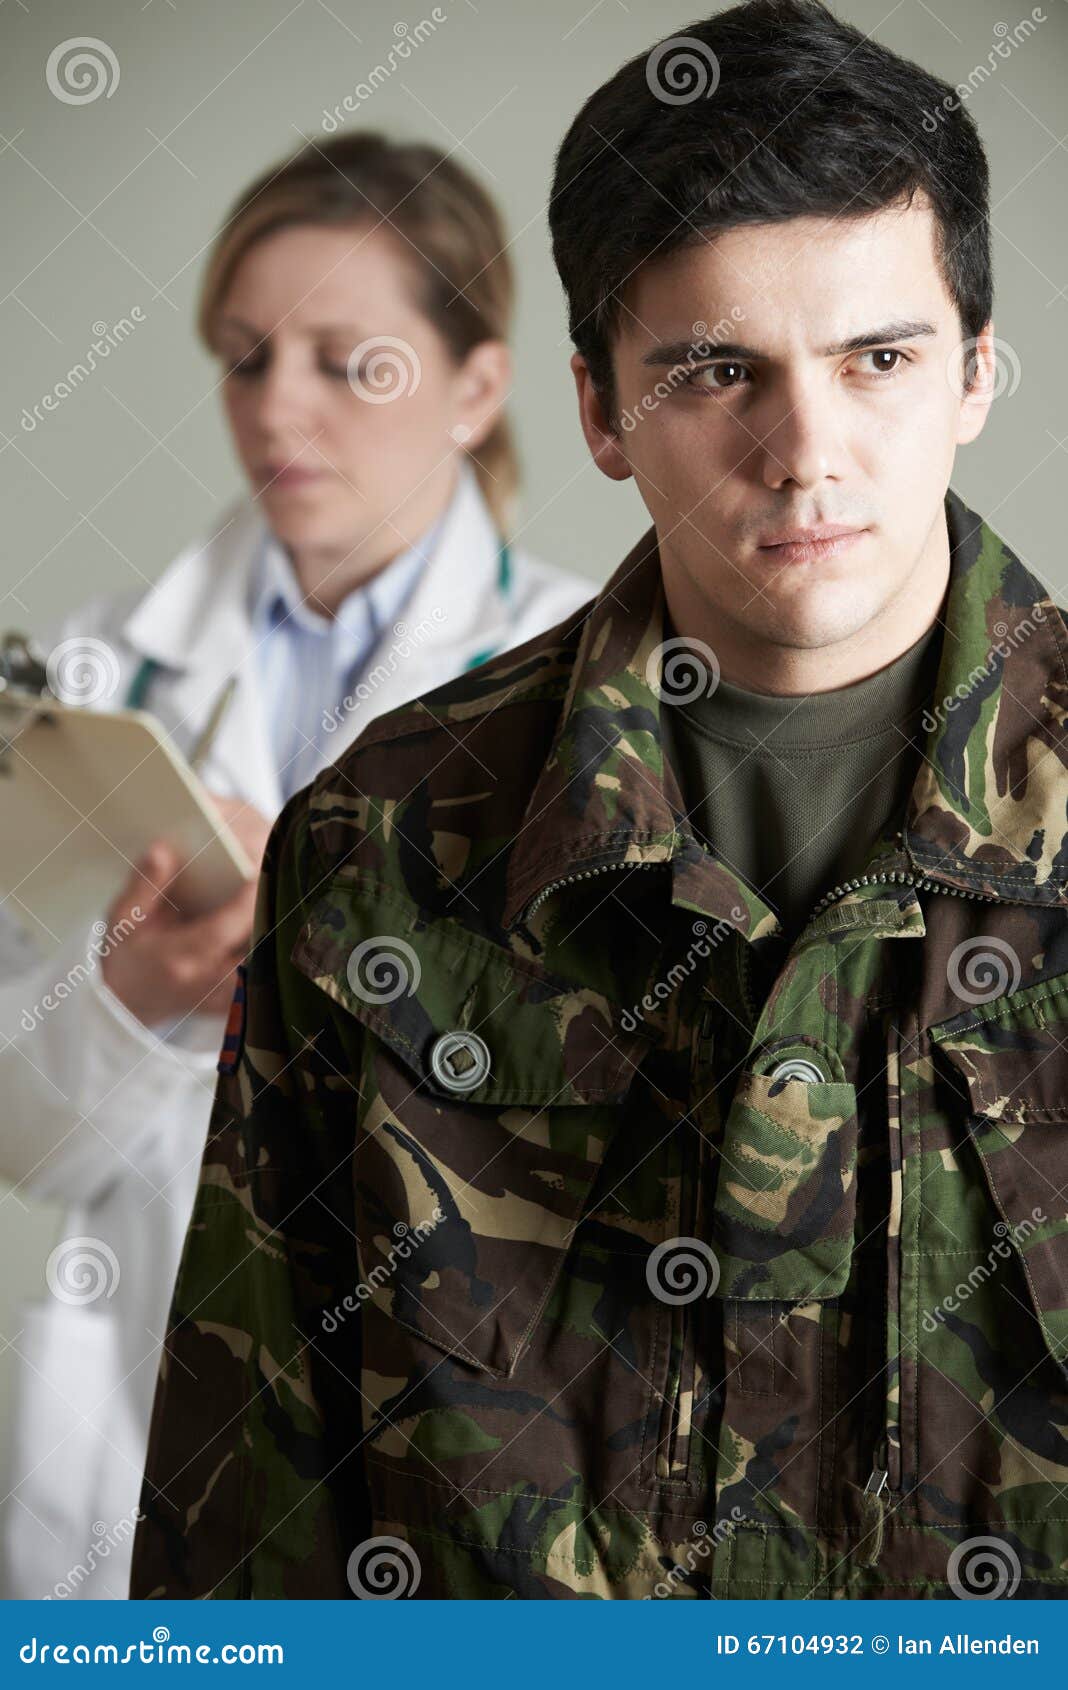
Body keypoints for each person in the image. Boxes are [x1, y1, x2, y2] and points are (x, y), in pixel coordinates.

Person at [130, 0, 1068, 1601]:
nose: (804, 451)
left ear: (979, 372)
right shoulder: (379, 847)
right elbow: (244, 1545)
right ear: (597, 409)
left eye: (881, 359)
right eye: (716, 371)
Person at [0, 131, 591, 1601]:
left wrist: (338, 939)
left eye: (349, 362)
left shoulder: (596, 682)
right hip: (138, 1416)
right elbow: (23, 1133)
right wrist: (130, 1002)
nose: (279, 410)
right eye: (247, 356)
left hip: (464, 1420)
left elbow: (620, 1118)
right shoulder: (96, 666)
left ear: (474, 382)